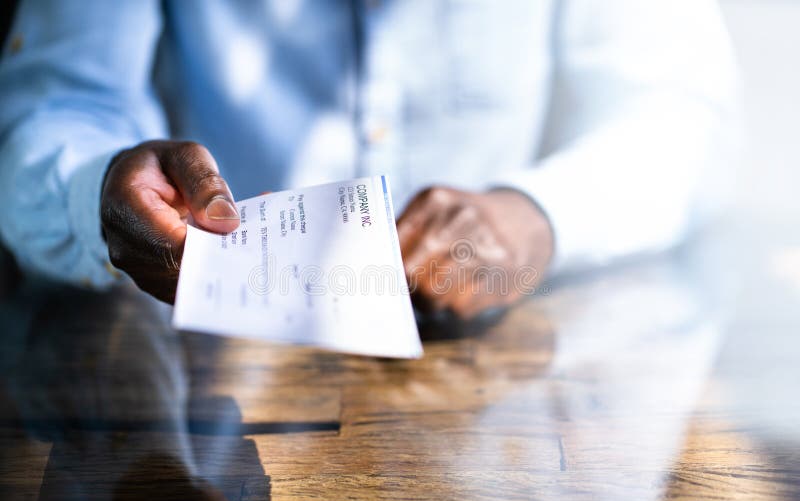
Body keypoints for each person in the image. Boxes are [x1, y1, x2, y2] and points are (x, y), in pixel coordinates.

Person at [0, 0, 738, 319]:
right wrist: (97, 188)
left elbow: (678, 110)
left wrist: (538, 214)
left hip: (493, 392)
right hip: (192, 377)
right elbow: (61, 99)